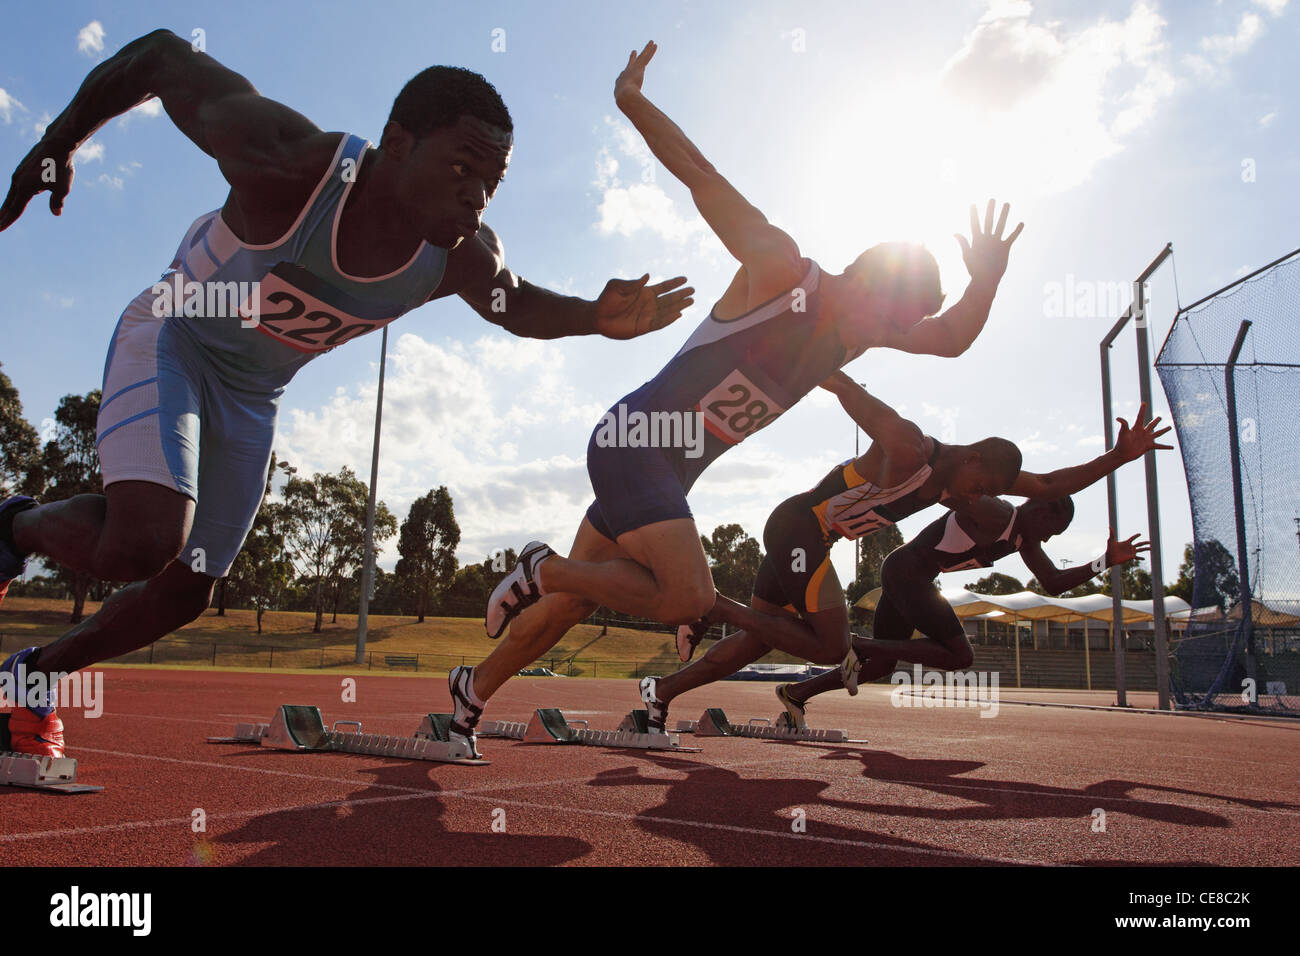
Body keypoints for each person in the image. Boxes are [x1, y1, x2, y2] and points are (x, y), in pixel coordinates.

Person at [0, 30, 692, 759]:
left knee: (187, 590)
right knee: (144, 540)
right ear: (396, 142)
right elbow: (162, 57)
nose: (474, 194)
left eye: (491, 182)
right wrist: (57, 144)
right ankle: (14, 528)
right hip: (176, 335)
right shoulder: (295, 166)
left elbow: (514, 305)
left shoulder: (460, 256)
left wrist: (591, 316)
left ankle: (33, 678)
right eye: (460, 165)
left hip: (252, 391)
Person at [459, 40, 1026, 757]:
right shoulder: (779, 269)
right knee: (687, 599)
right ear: (863, 279)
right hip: (635, 441)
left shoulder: (855, 335)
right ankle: (540, 567)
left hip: (663, 475)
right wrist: (632, 101)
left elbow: (949, 340)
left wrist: (990, 278)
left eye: (895, 330)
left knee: (574, 603)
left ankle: (466, 698)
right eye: (887, 320)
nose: (887, 337)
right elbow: (702, 176)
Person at [638, 375, 1169, 731]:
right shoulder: (909, 446)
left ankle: (660, 693)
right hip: (799, 524)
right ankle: (710, 604)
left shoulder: (960, 482)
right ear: (972, 457)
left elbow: (1050, 483)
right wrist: (811, 353)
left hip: (811, 539)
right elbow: (844, 385)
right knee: (830, 646)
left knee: (760, 639)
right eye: (975, 487)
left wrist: (1118, 457)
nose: (967, 500)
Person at [774, 495, 1149, 729]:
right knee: (960, 655)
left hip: (911, 576)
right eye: (1055, 528)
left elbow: (1051, 582)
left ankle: (797, 692)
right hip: (908, 573)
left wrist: (1105, 562)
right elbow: (948, 493)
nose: (1051, 539)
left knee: (885, 664)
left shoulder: (1024, 537)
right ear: (1038, 507)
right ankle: (857, 643)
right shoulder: (996, 510)